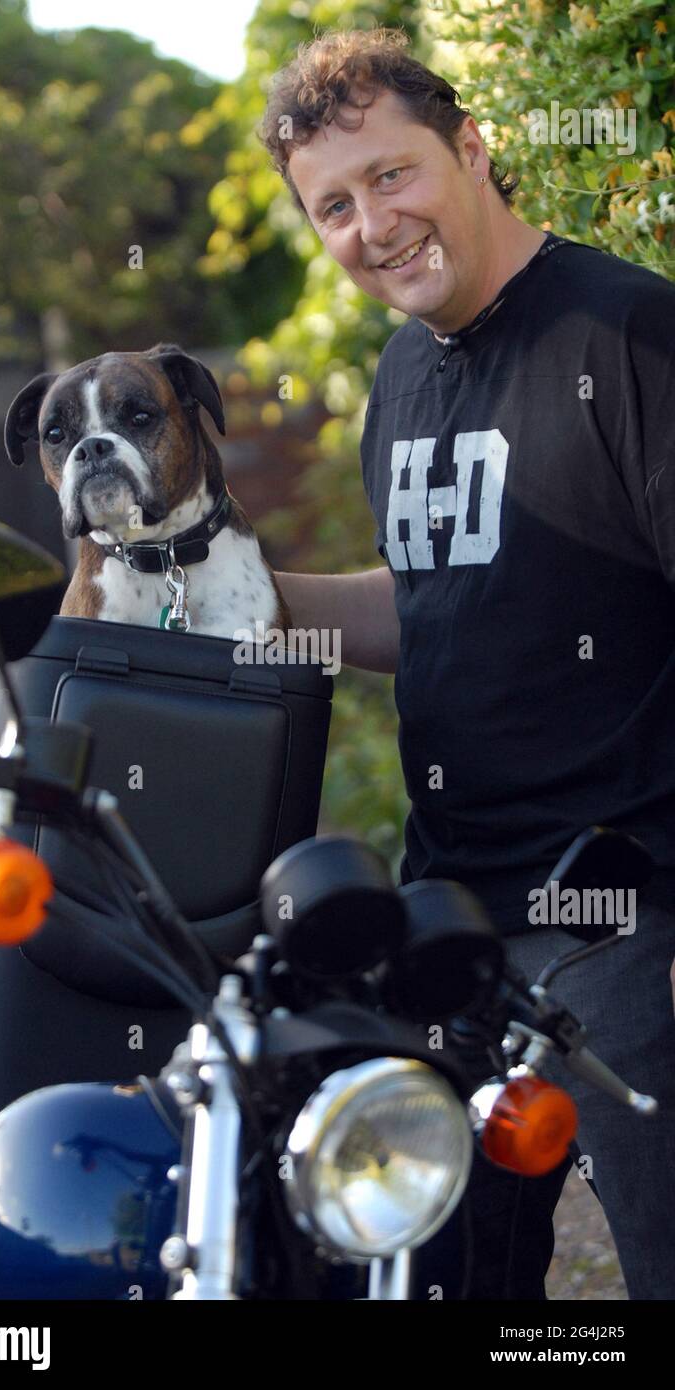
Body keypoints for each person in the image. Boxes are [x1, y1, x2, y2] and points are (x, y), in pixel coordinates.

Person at [257, 26, 675, 1299]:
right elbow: (434, 603)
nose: (370, 224)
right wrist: (239, 601)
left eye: (391, 177)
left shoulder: (627, 333)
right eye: (333, 205)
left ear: (472, 149)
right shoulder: (401, 372)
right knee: (453, 1275)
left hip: (617, 912)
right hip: (447, 914)